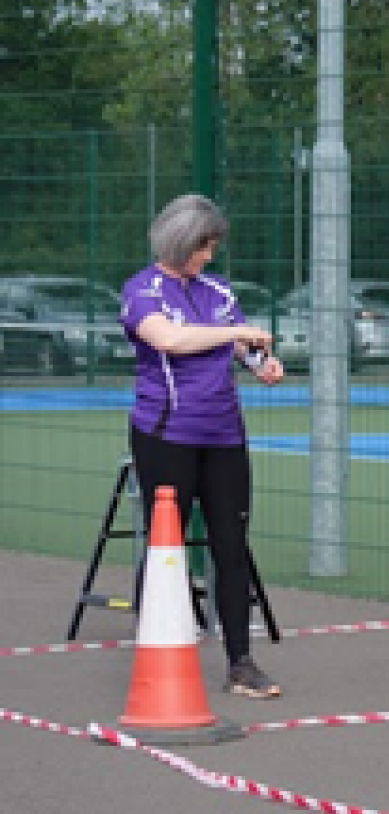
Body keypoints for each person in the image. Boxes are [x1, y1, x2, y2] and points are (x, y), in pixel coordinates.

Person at [119, 194, 285, 698]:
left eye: (212, 247)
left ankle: (241, 663)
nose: (209, 257)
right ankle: (159, 650)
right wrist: (236, 330)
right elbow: (168, 339)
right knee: (165, 545)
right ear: (180, 242)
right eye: (204, 247)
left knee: (231, 547)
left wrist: (260, 365)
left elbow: (237, 349)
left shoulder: (217, 291)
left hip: (224, 435)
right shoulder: (141, 291)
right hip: (166, 435)